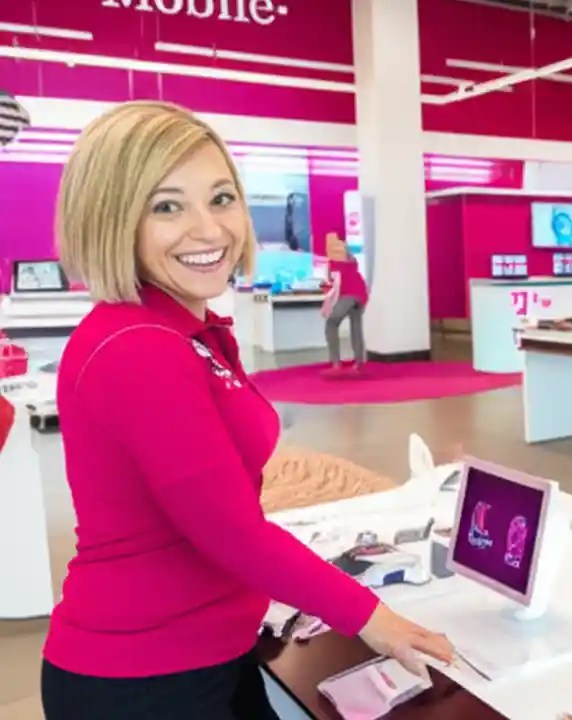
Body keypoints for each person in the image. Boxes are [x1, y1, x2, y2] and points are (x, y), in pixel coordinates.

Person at [45, 101, 452, 720]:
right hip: (148, 676)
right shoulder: (139, 347)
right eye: (166, 206)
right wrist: (376, 619)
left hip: (209, 649)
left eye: (221, 198)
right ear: (112, 217)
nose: (209, 230)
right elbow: (229, 530)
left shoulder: (180, 328)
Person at [321, 231, 368, 378]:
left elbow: (336, 286)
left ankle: (336, 364)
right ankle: (359, 364)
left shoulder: (334, 261)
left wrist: (328, 304)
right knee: (356, 327)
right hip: (360, 294)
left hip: (348, 294)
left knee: (332, 322)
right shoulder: (351, 259)